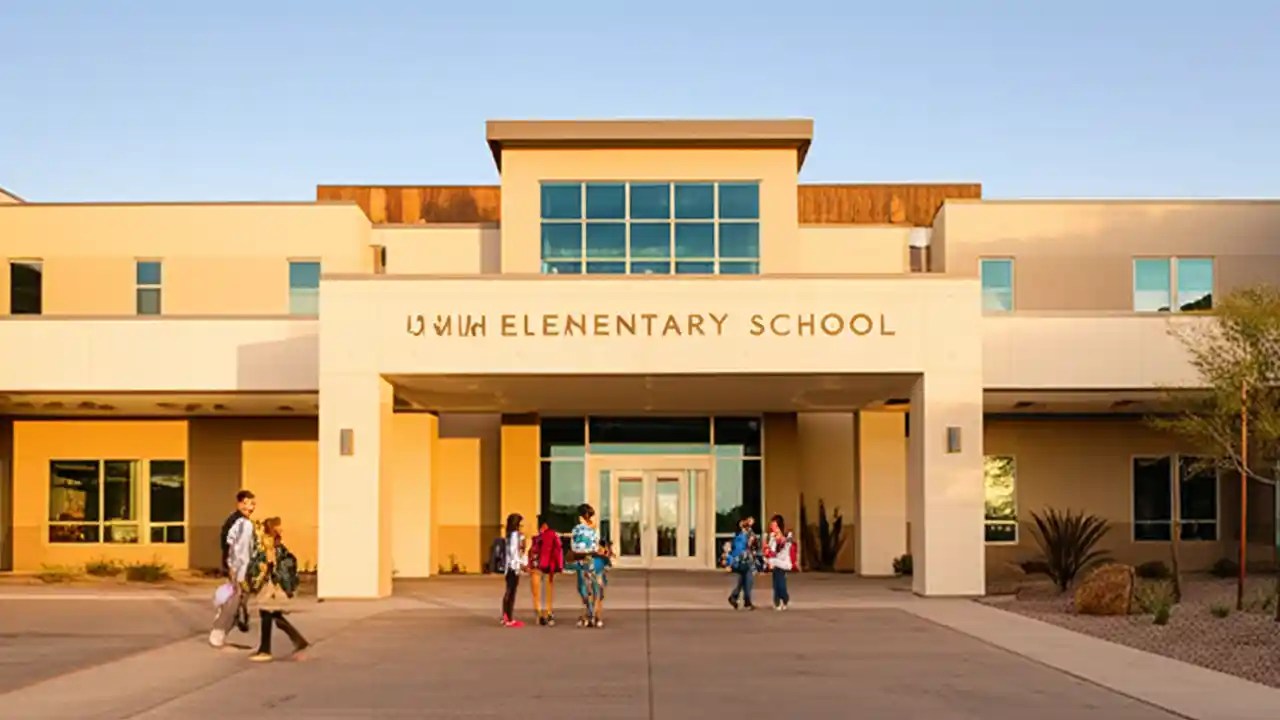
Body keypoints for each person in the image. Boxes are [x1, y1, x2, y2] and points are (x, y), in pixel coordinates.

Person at [247, 517, 309, 662]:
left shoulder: (270, 545)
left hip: (271, 585)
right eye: (278, 526)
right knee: (274, 616)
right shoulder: (274, 544)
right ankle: (298, 641)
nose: (281, 529)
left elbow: (267, 563)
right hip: (272, 584)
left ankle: (265, 650)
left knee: (268, 614)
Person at [210, 489, 255, 647]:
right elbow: (231, 546)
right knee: (236, 598)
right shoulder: (238, 522)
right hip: (237, 567)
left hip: (242, 567)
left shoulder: (242, 521)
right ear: (240, 503)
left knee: (241, 597)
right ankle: (219, 629)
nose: (252, 507)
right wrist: (231, 566)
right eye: (249, 503)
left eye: (253, 504)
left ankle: (229, 623)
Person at [569, 503, 603, 628]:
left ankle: (589, 611)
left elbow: (573, 545)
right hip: (592, 559)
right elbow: (597, 545)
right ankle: (594, 614)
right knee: (594, 586)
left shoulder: (577, 529)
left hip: (580, 559)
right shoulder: (594, 528)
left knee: (582, 586)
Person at [528, 515, 564, 626]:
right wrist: (559, 565)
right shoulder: (553, 535)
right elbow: (558, 549)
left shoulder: (536, 537)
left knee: (536, 591)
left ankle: (538, 613)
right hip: (549, 565)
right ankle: (548, 612)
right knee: (549, 589)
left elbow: (531, 551)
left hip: (536, 564)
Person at [764, 514, 797, 610]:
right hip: (775, 563)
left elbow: (788, 548)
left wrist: (783, 540)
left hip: (783, 563)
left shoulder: (787, 536)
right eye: (771, 525)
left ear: (779, 525)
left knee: (781, 584)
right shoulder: (772, 537)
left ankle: (785, 598)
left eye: (774, 525)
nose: (772, 527)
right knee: (775, 584)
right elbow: (771, 550)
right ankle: (777, 602)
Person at [726, 516, 758, 611]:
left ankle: (734, 597)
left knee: (742, 581)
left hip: (742, 561)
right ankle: (747, 602)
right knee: (748, 581)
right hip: (743, 561)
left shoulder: (739, 535)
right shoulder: (742, 536)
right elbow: (743, 548)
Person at [500, 513, 527, 628]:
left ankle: (506, 616)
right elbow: (514, 553)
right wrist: (520, 565)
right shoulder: (516, 535)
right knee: (511, 592)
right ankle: (509, 618)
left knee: (508, 591)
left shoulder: (508, 535)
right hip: (513, 567)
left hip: (508, 567)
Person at [592, 539, 614, 628]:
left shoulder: (594, 554)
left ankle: (594, 615)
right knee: (599, 597)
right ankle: (597, 617)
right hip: (598, 576)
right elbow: (608, 567)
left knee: (596, 596)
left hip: (593, 575)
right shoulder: (603, 556)